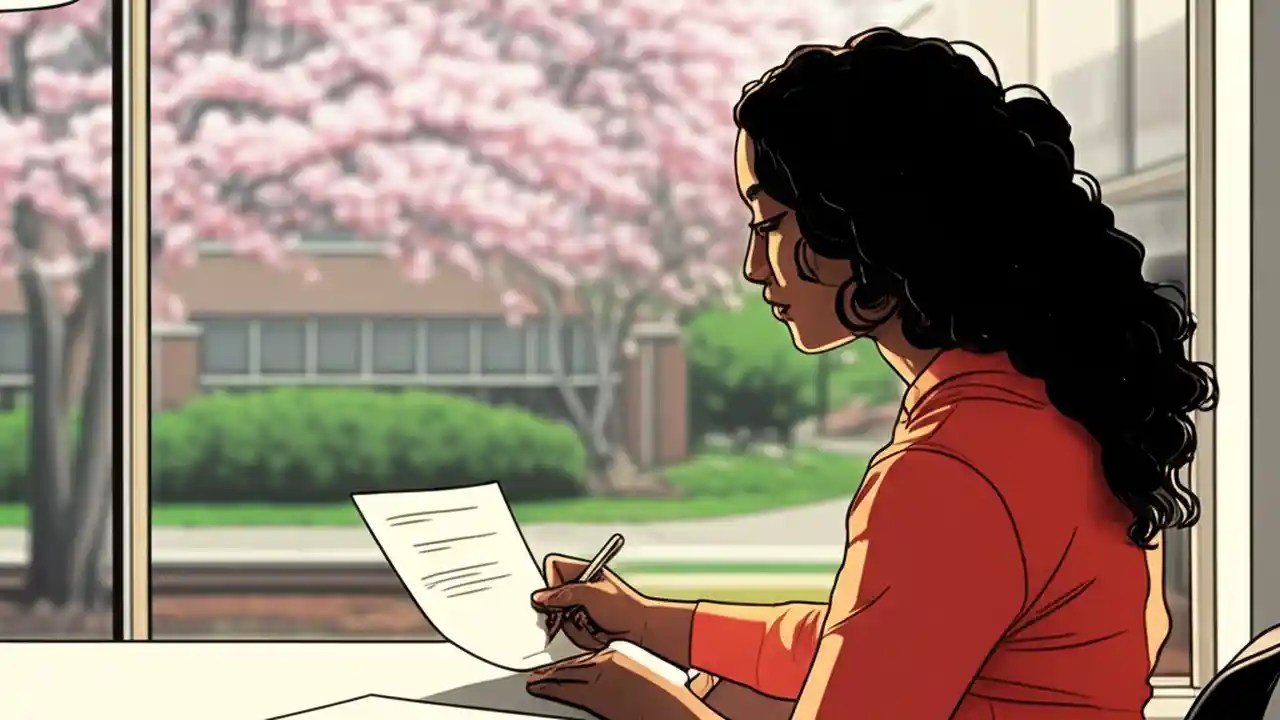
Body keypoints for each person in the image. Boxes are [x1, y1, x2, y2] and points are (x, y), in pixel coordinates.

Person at [524, 27, 1218, 720]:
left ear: (864, 230)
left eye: (768, 223)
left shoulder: (953, 469)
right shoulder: (1053, 402)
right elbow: (879, 642)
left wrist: (652, 709)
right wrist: (646, 622)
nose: (752, 267)